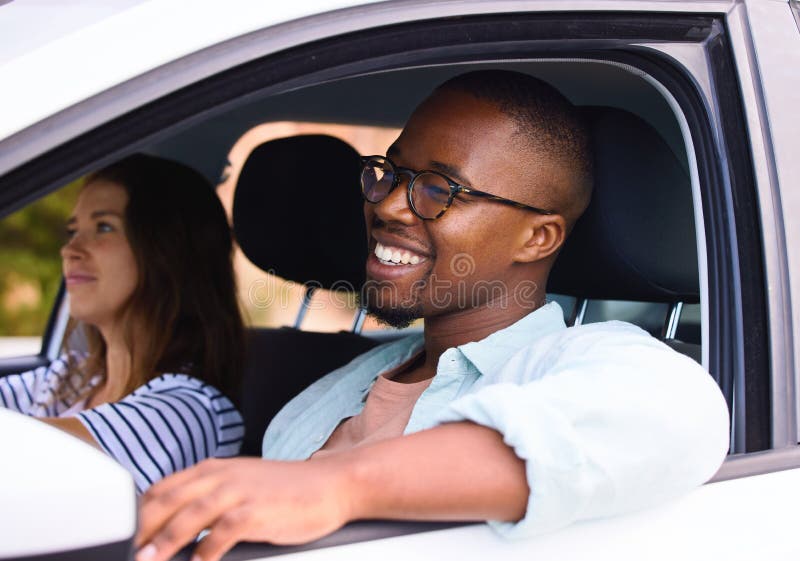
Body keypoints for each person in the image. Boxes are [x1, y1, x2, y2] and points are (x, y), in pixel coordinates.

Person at [135, 71, 730, 561]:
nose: (390, 204)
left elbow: (680, 414)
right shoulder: (326, 395)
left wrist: (340, 484)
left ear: (539, 237)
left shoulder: (594, 363)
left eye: (441, 189)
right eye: (391, 172)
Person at [0, 154, 246, 493]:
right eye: (73, 231)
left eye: (103, 227)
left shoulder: (187, 410)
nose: (69, 249)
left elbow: (22, 454)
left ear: (166, 251)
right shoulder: (71, 378)